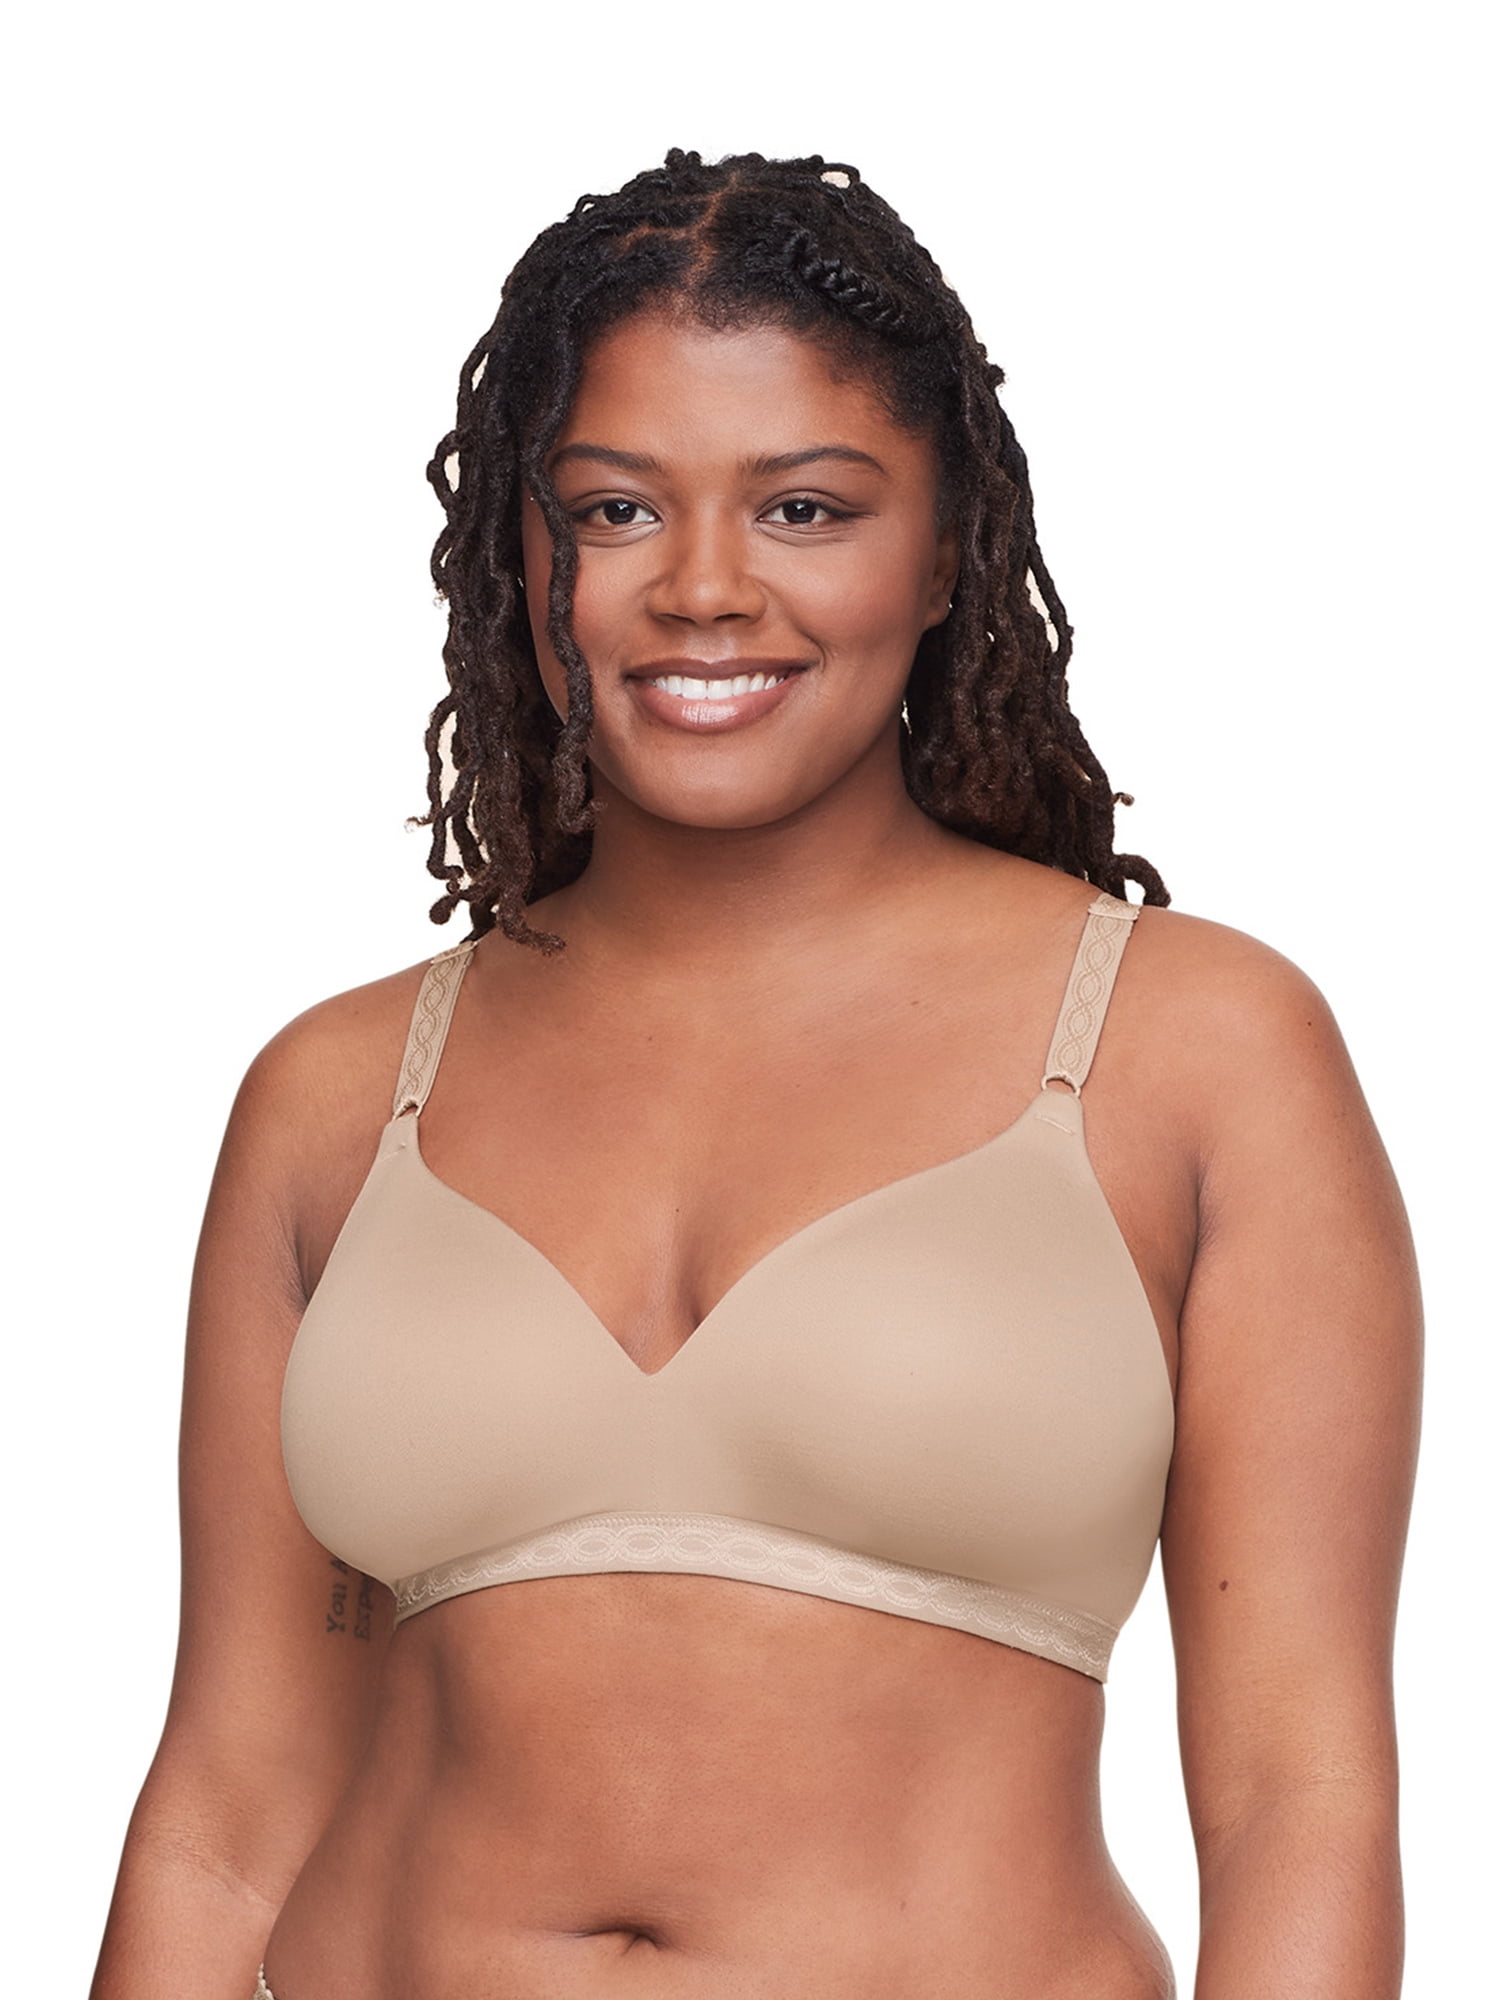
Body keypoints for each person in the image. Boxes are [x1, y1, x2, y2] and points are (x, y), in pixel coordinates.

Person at [90, 150, 1422, 2000]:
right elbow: (229, 1813)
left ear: (944, 550)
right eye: (615, 510)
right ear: (527, 561)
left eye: (805, 508)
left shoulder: (1192, 1051)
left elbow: (1298, 1799)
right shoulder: (336, 1093)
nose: (704, 590)